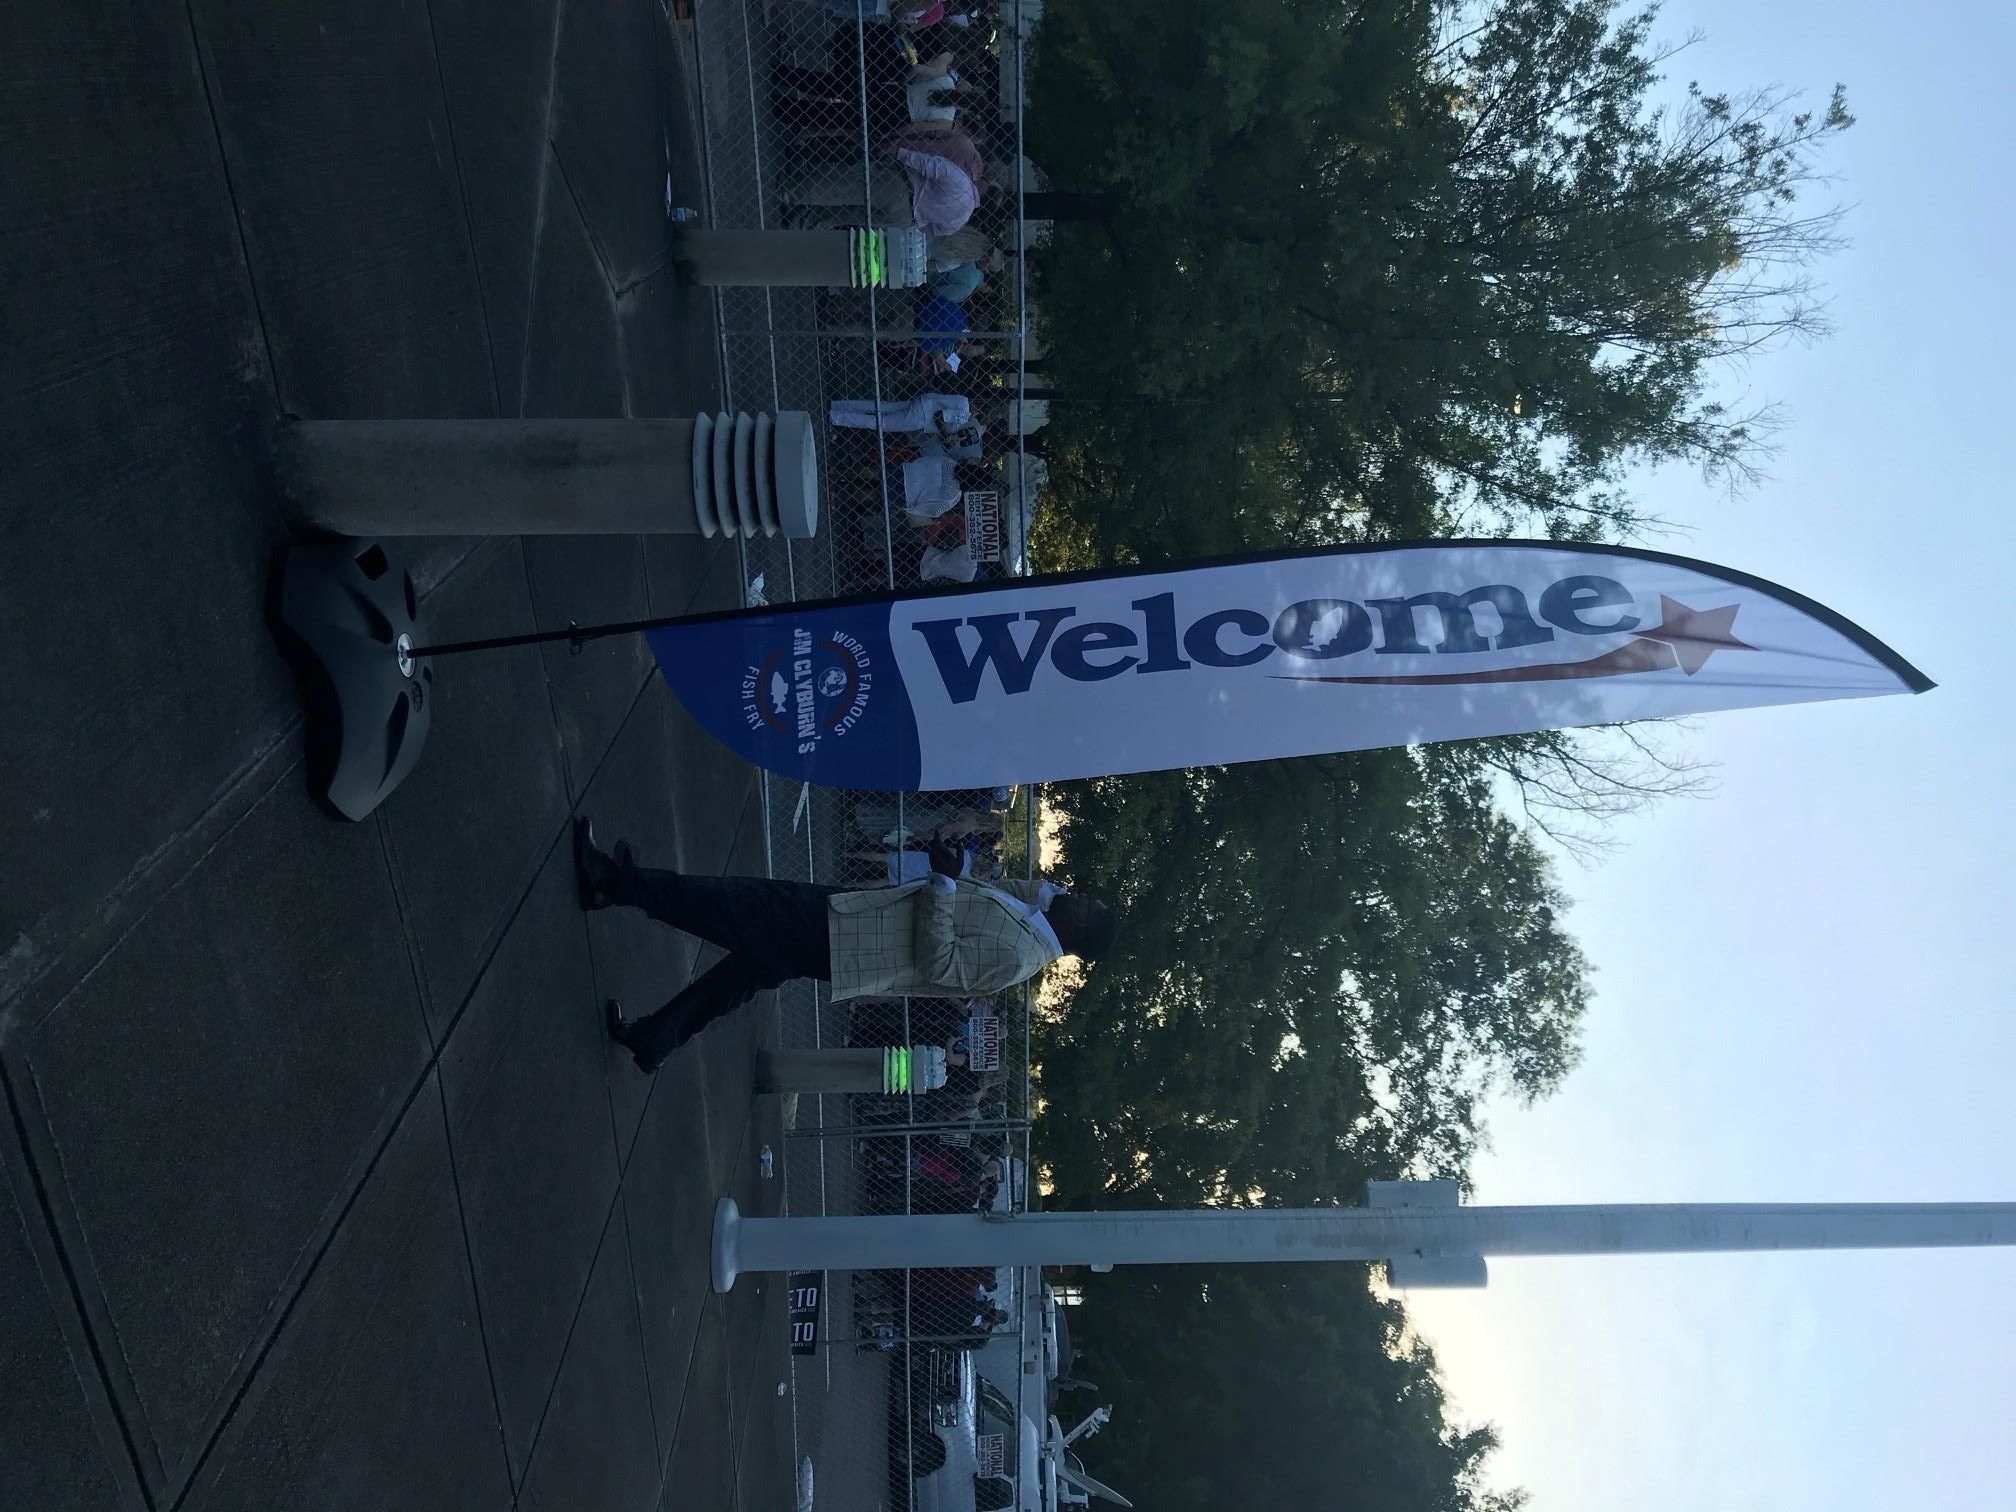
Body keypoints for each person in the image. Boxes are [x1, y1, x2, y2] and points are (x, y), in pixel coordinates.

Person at [575, 818, 1117, 1073]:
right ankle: (654, 1039)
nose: (1081, 895)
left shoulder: (1019, 956)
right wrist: (1039, 891)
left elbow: (942, 963)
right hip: (855, 924)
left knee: (739, 905)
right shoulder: (1029, 920)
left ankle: (617, 883)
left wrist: (944, 886)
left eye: (1088, 906)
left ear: (1079, 934)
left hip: (851, 942)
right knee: (741, 974)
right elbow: (1012, 893)